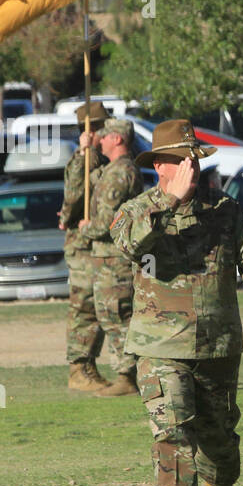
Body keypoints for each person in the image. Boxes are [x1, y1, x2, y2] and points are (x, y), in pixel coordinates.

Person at [109, 119, 243, 486]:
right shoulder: (138, 209)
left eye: (195, 158)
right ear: (160, 166)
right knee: (172, 433)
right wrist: (171, 201)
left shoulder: (224, 209)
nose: (192, 167)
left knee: (220, 439)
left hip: (217, 344)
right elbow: (128, 243)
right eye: (181, 159)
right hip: (160, 346)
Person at [80, 117, 144, 396]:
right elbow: (88, 176)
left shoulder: (120, 174)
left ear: (117, 139)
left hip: (114, 259)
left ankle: (127, 375)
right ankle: (127, 372)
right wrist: (87, 152)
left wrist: (86, 228)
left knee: (117, 316)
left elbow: (107, 222)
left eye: (104, 137)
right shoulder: (115, 170)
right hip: (107, 258)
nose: (100, 140)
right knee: (111, 316)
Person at [59, 101, 109, 392]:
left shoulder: (101, 161)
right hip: (82, 248)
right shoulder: (82, 160)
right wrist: (83, 152)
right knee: (84, 308)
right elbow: (72, 198)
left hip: (98, 246)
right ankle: (78, 369)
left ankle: (89, 364)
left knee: (99, 307)